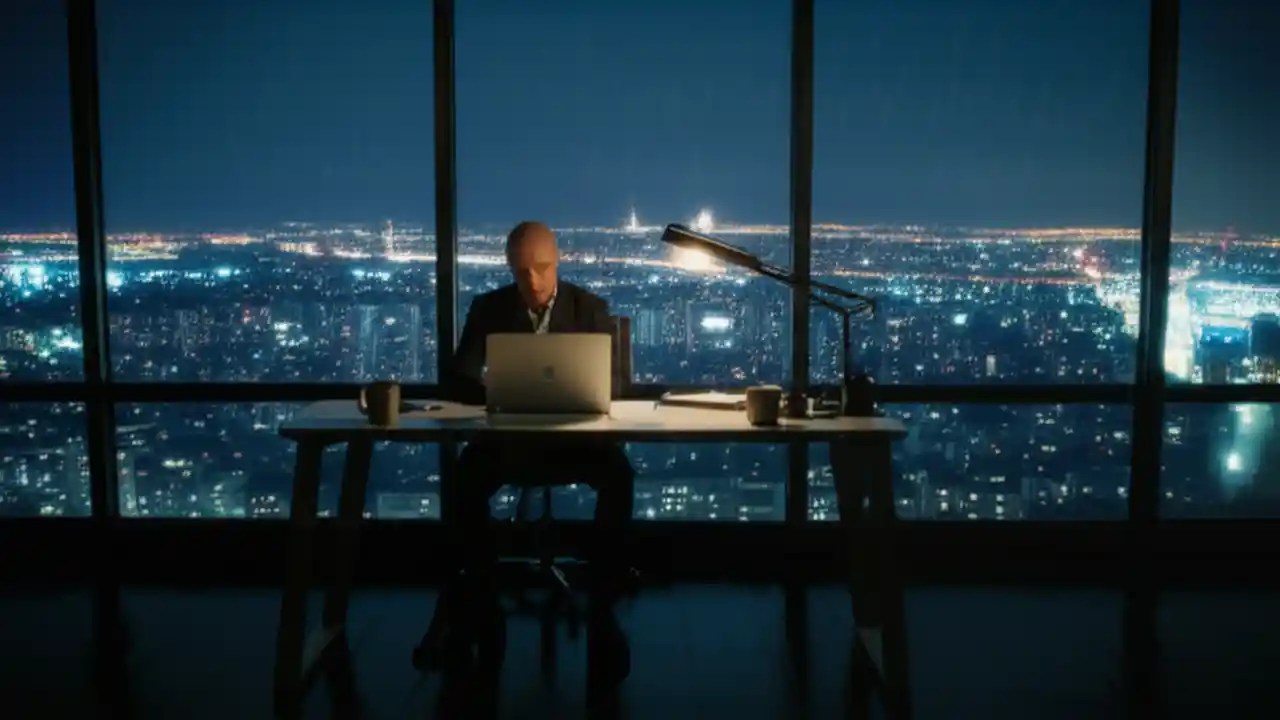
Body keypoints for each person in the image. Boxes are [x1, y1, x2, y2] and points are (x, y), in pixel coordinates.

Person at [444, 221, 635, 586]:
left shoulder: (590, 309)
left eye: (542, 268)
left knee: (620, 475)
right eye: (521, 271)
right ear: (508, 268)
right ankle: (479, 574)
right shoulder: (489, 309)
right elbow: (459, 378)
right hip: (508, 442)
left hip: (575, 442)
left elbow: (616, 385)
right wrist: (499, 392)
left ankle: (606, 574)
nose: (533, 281)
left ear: (559, 260)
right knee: (464, 479)